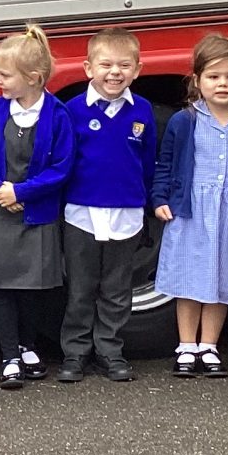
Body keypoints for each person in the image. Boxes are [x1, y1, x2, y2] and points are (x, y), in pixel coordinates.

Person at [0, 25, 74, 390]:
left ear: (33, 78)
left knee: (31, 287)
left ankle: (28, 347)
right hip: (0, 213)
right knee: (4, 288)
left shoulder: (57, 114)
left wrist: (23, 192)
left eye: (4, 75)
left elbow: (61, 167)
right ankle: (9, 355)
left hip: (35, 214)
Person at [151, 35, 228, 379]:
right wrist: (160, 199)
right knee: (190, 278)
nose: (222, 84)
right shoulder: (186, 120)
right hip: (193, 211)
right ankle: (186, 345)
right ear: (197, 80)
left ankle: (209, 345)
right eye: (213, 76)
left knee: (222, 279)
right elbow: (165, 163)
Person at [58, 29, 157, 384]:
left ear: (137, 69)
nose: (115, 72)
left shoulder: (142, 110)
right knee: (81, 288)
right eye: (106, 65)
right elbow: (63, 162)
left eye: (124, 65)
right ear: (88, 68)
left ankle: (110, 352)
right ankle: (75, 353)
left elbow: (148, 161)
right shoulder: (72, 110)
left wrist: (147, 201)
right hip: (81, 213)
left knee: (117, 289)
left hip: (126, 213)